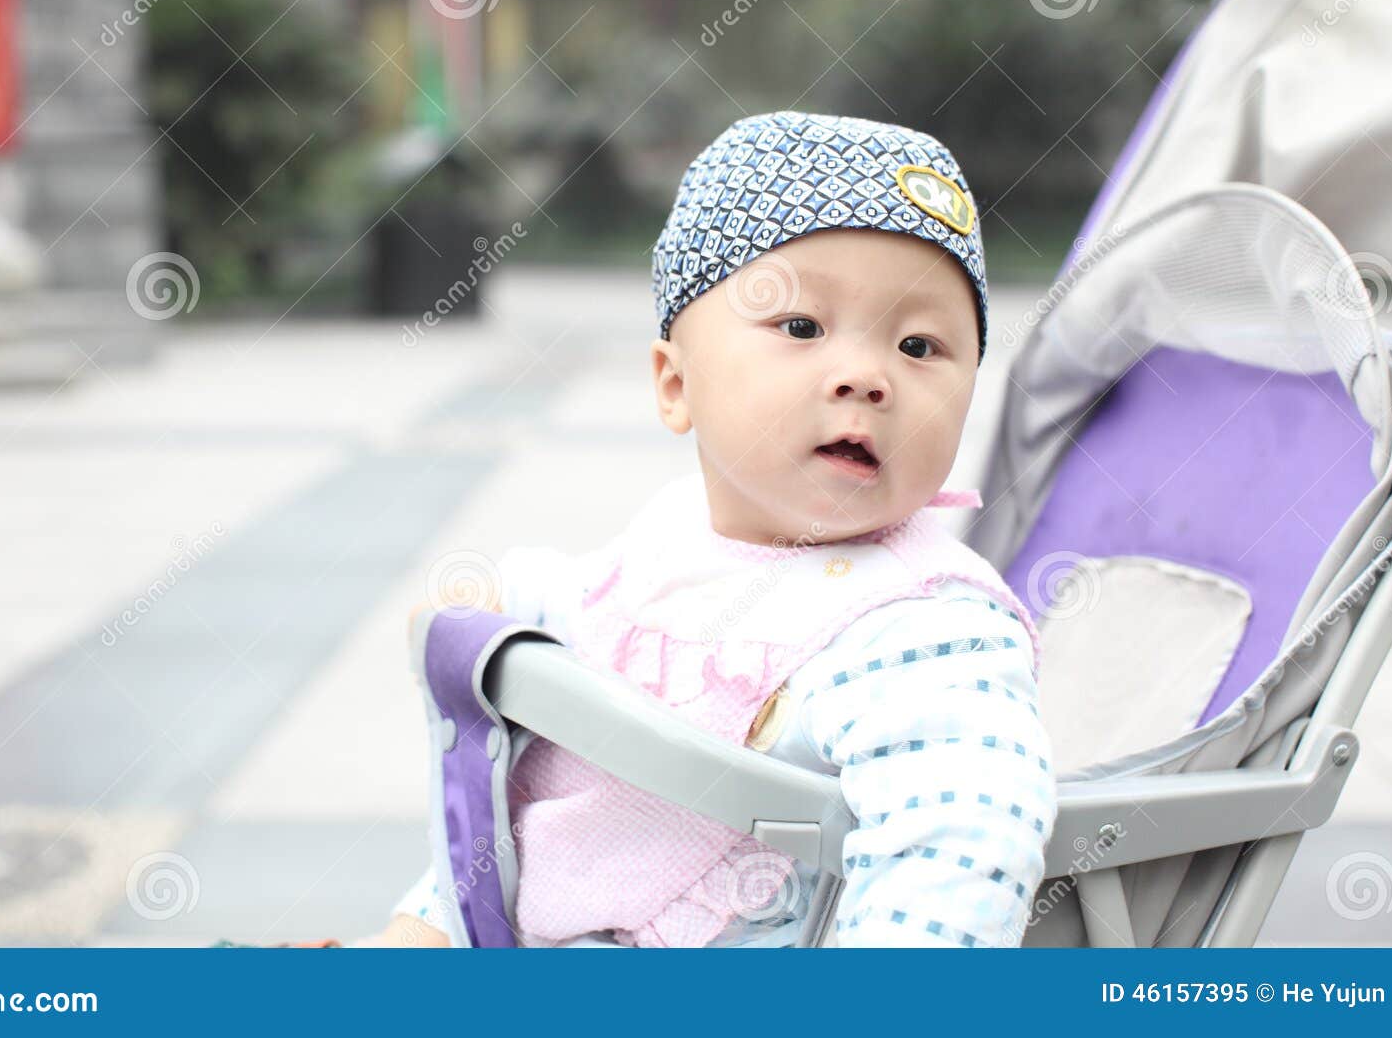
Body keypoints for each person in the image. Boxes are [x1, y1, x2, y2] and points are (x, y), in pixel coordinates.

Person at [366, 110, 1056, 947]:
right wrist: (494, 605)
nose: (869, 376)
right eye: (801, 327)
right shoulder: (675, 529)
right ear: (674, 385)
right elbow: (600, 605)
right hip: (536, 914)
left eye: (920, 346)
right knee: (436, 890)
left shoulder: (929, 629)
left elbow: (963, 847)